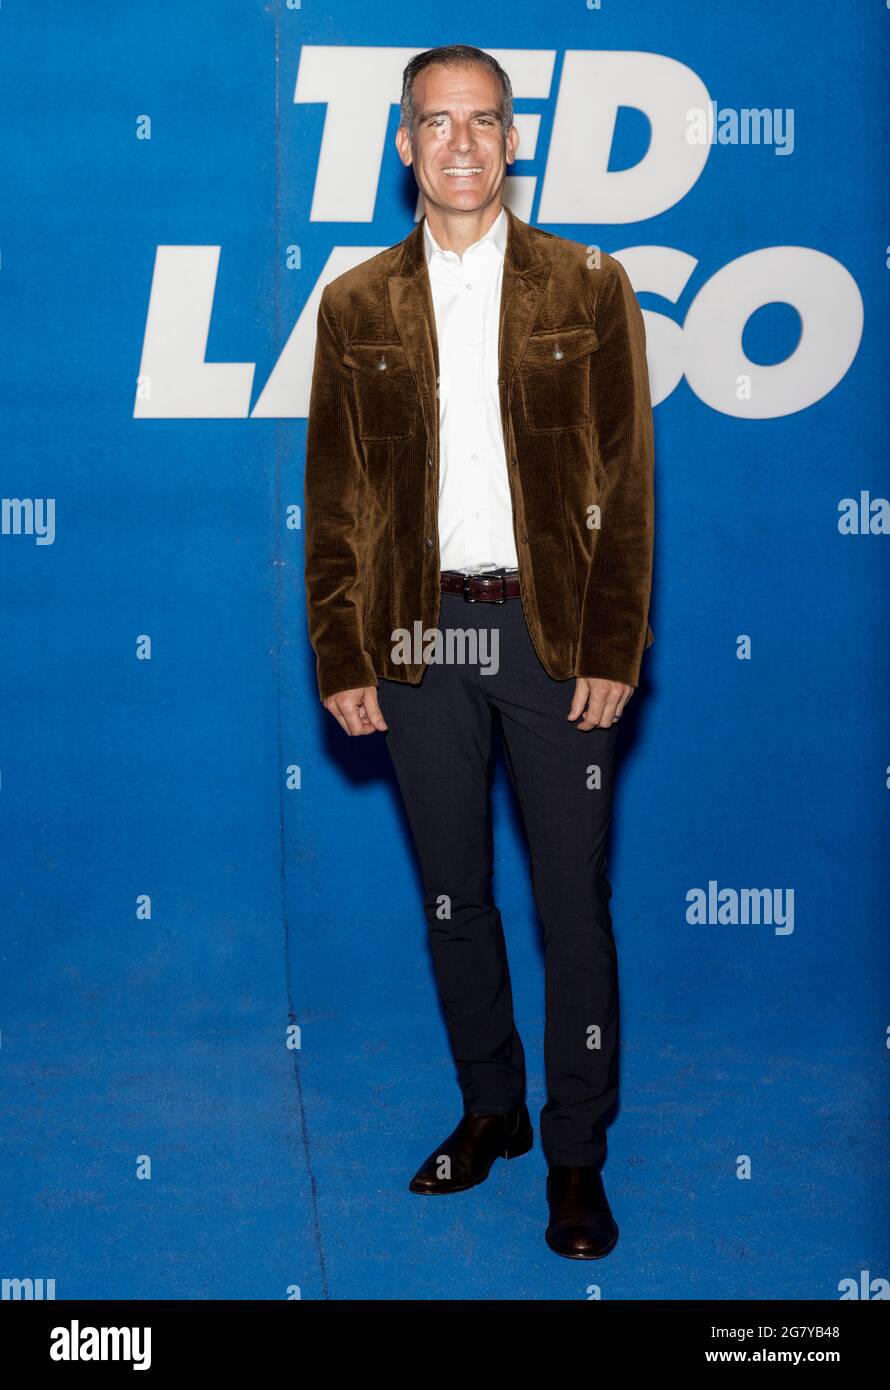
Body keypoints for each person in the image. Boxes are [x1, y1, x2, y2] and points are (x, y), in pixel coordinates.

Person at [304, 44, 655, 1259]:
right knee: (453, 897)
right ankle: (492, 1107)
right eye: (434, 123)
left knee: (572, 905)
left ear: (514, 141)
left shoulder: (587, 286)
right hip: (411, 633)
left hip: (551, 634)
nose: (459, 143)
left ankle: (574, 1153)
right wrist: (339, 655)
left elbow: (628, 481)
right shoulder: (354, 307)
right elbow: (337, 498)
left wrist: (614, 640)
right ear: (403, 145)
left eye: (483, 122)